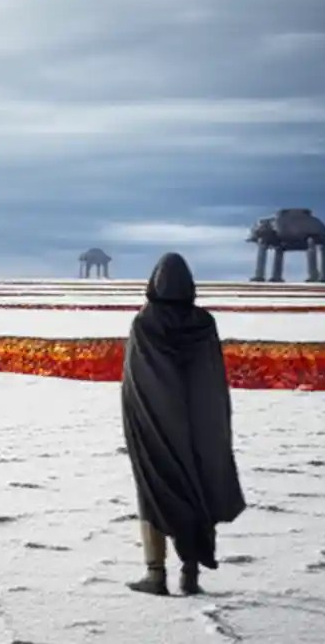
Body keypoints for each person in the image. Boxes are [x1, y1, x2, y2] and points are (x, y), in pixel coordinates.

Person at [121, 252, 246, 596]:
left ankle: (155, 574)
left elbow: (137, 381)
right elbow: (211, 380)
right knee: (198, 489)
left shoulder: (146, 323)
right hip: (200, 427)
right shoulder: (203, 323)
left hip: (155, 425)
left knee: (154, 491)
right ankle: (190, 575)